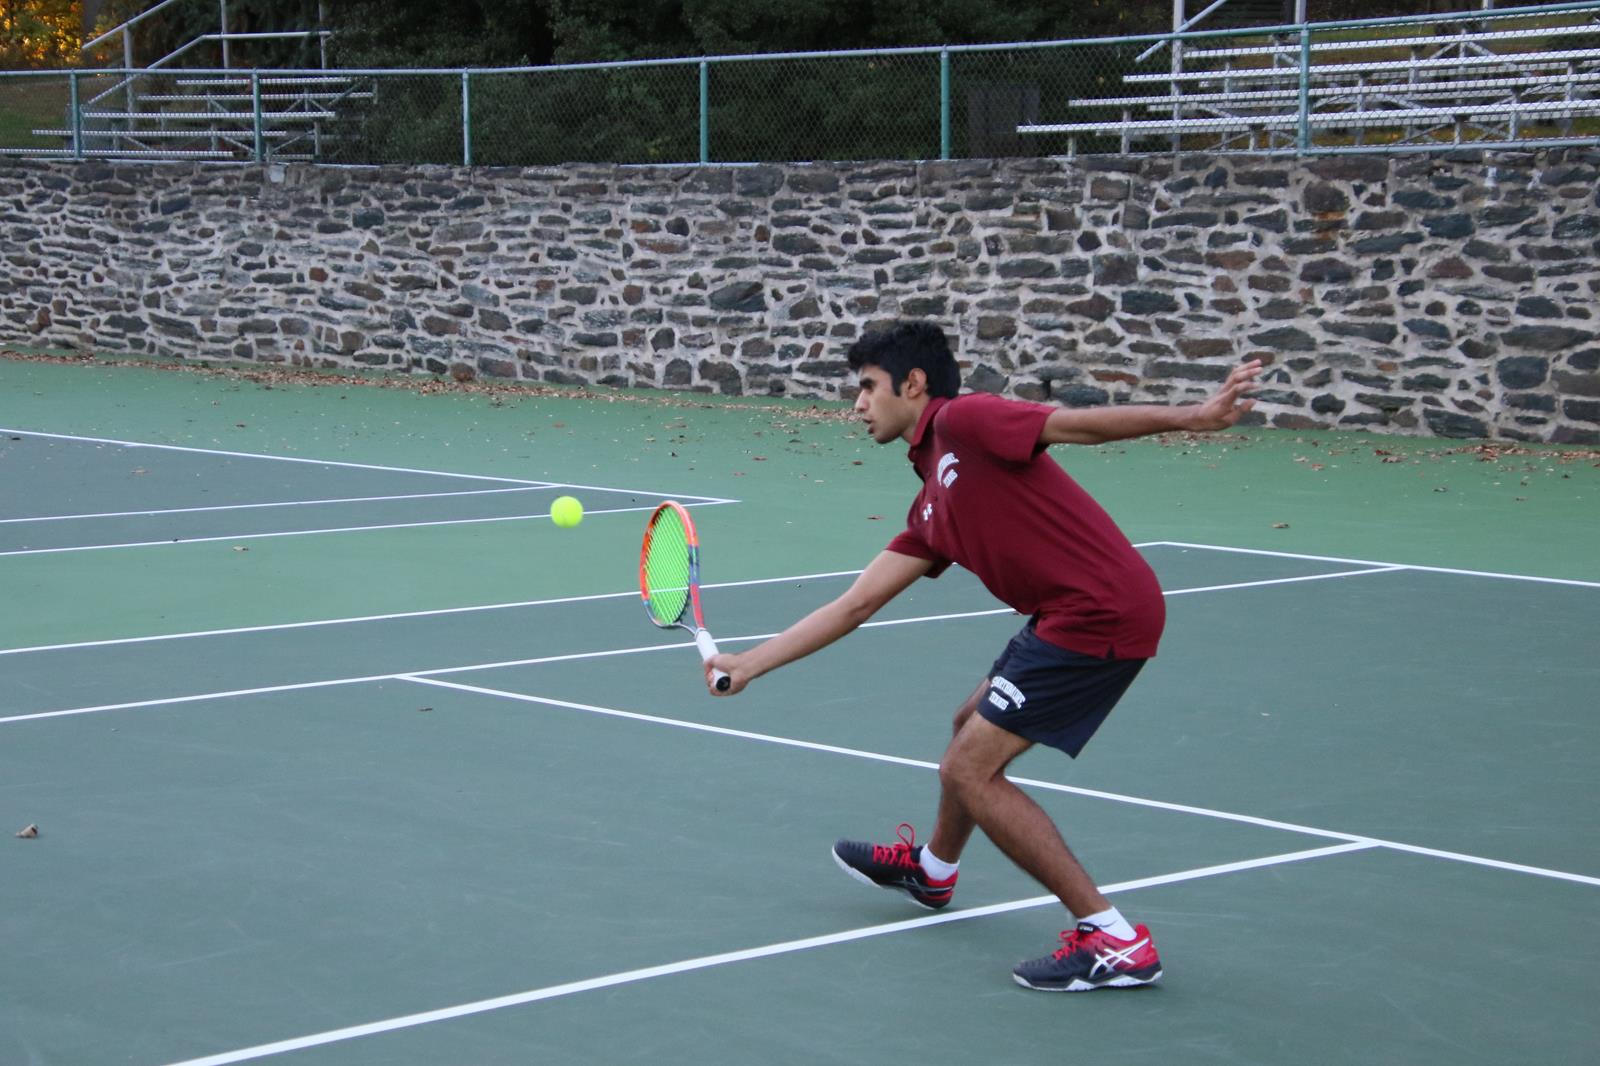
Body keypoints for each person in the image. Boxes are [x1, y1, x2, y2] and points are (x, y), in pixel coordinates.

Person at [704, 321, 1261, 992]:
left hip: (1100, 611)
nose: (857, 405)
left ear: (913, 385)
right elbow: (853, 605)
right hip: (1061, 614)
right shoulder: (932, 504)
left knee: (970, 769)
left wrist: (1195, 417)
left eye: (867, 387)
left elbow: (1073, 426)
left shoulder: (966, 421)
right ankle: (934, 873)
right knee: (968, 723)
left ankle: (1114, 940)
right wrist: (750, 662)